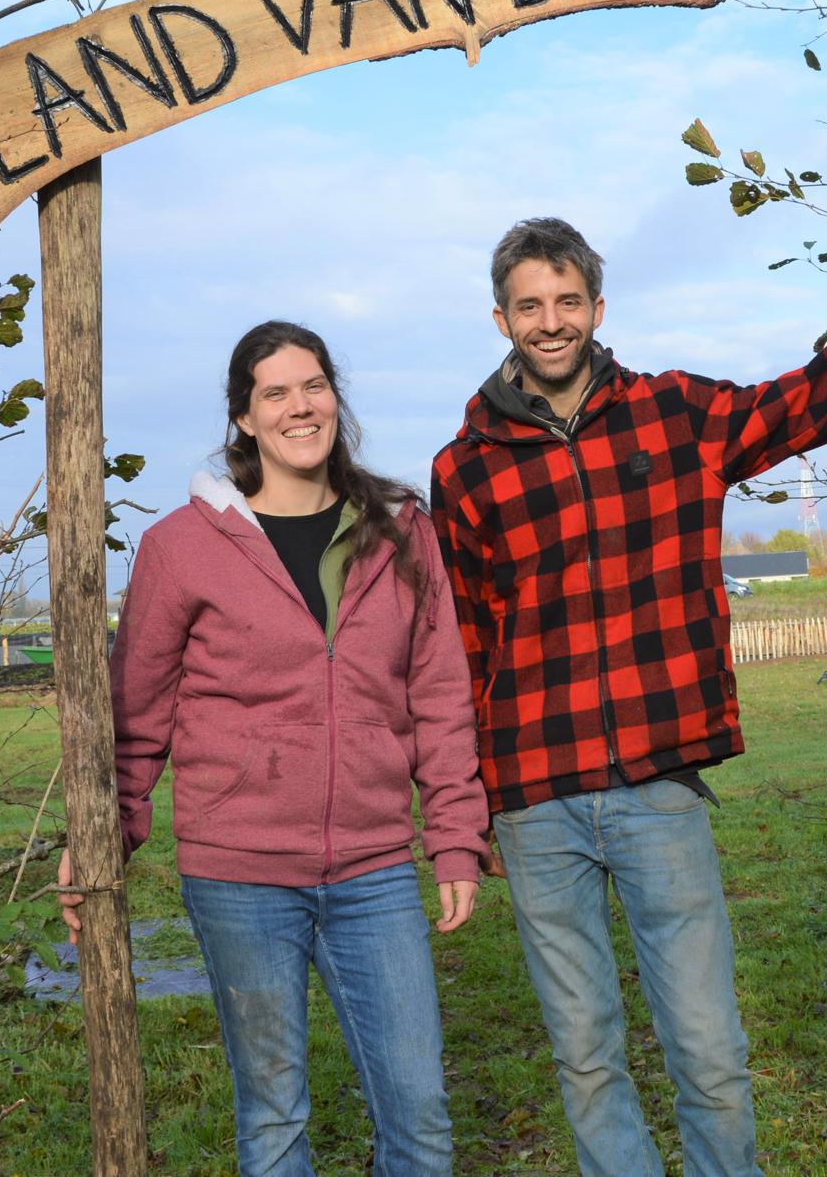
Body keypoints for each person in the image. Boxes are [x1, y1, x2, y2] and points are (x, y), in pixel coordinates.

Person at [429, 209, 827, 1177]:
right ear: (498, 317)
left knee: (710, 1055)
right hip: (534, 800)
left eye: (565, 300)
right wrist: (465, 810)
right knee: (587, 1059)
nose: (548, 321)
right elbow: (465, 644)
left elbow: (820, 399)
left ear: (596, 303)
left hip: (656, 782)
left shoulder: (674, 414)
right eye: (526, 305)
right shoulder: (462, 470)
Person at [59, 320, 489, 1177]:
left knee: (421, 1118)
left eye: (315, 385)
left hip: (374, 868)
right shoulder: (181, 547)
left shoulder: (402, 532)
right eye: (277, 392)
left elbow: (439, 698)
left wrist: (454, 836)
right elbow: (137, 716)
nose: (302, 406)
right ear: (245, 417)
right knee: (274, 1118)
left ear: (337, 396)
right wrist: (103, 839)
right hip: (240, 875)